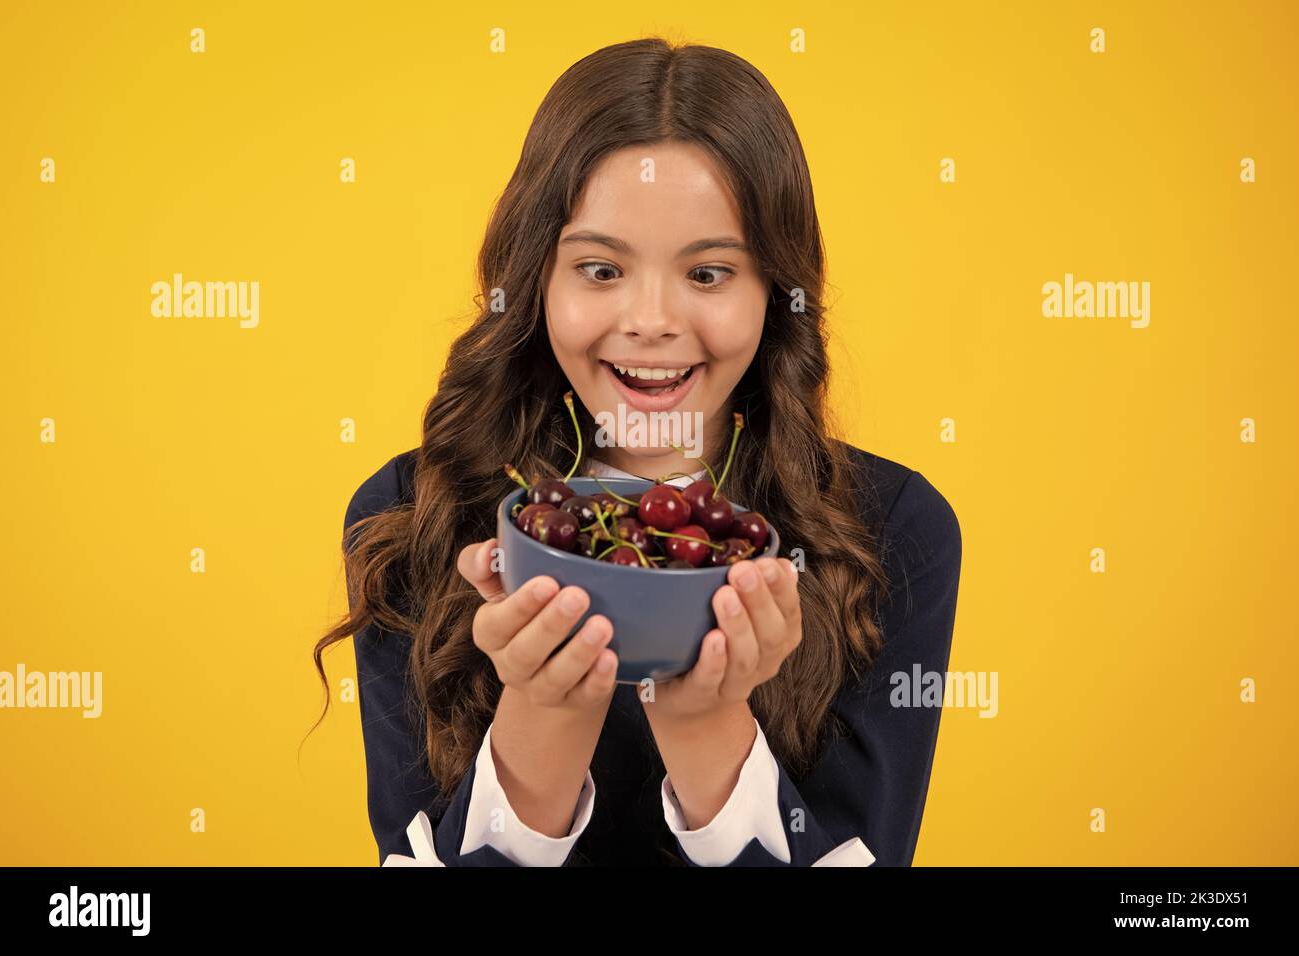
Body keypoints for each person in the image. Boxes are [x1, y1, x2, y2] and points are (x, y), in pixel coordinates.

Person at [313, 37, 962, 867]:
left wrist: (707, 725)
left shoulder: (892, 532)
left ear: (776, 290)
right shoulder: (413, 515)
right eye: (599, 268)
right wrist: (542, 720)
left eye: (708, 274)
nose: (651, 319)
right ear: (536, 279)